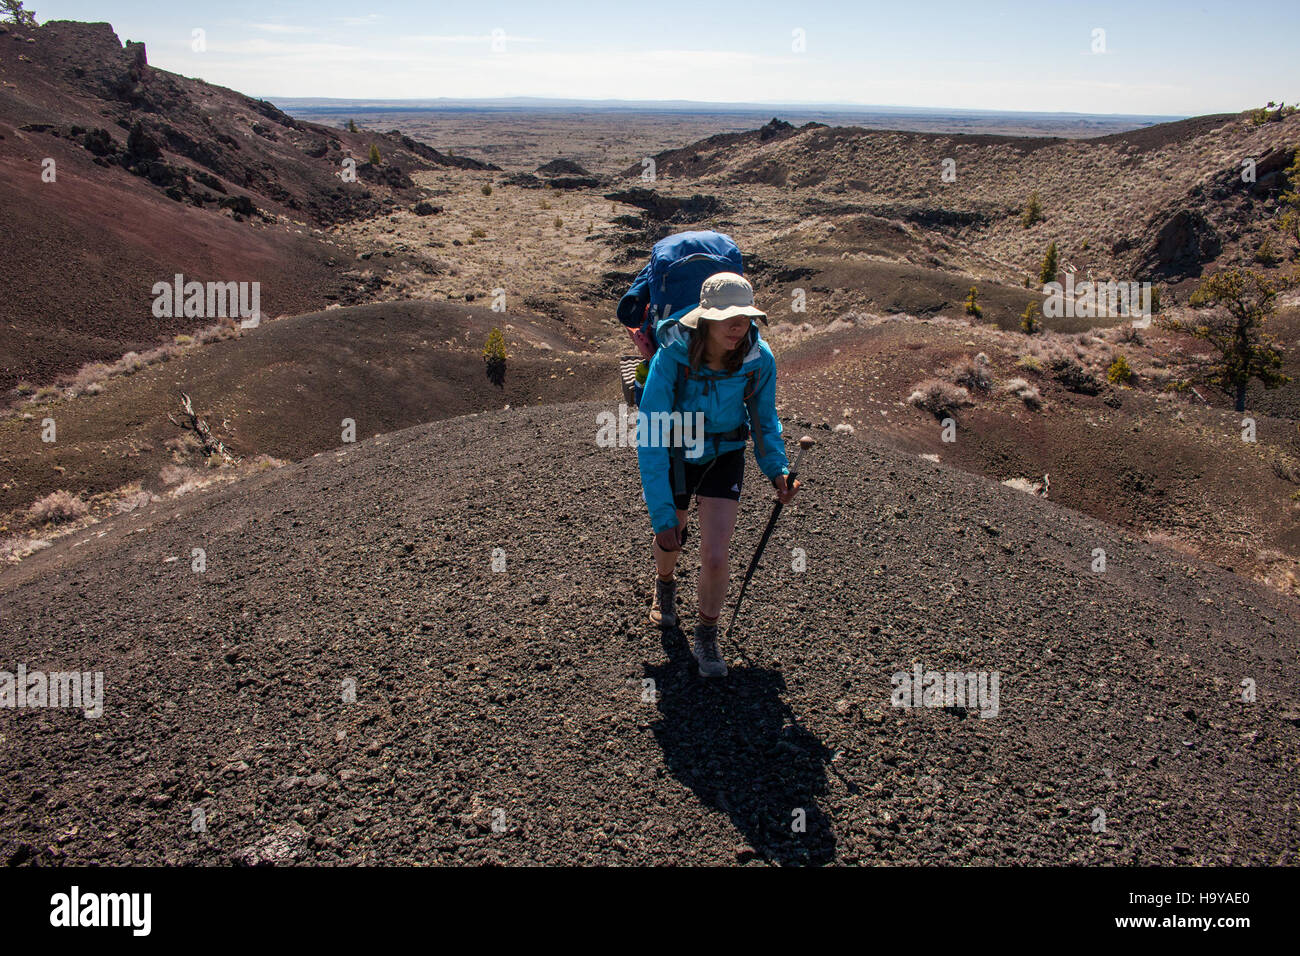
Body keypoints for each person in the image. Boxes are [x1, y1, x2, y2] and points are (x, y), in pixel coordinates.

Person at [636, 272, 800, 677]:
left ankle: (706, 636)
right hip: (677, 450)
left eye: (744, 317)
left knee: (714, 554)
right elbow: (652, 432)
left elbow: (763, 420)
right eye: (729, 317)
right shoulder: (672, 356)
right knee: (672, 534)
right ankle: (665, 582)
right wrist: (660, 515)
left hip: (725, 452)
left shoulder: (759, 360)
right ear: (706, 318)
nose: (738, 326)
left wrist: (777, 470)